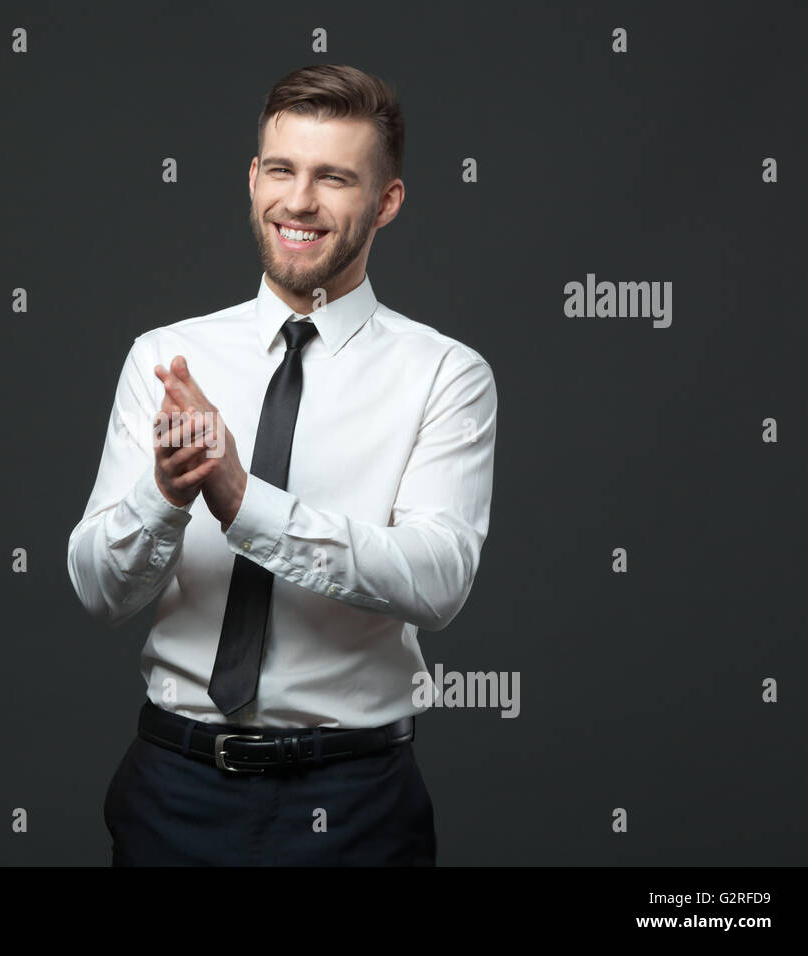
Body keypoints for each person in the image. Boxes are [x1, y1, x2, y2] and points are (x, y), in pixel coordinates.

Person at [66, 63, 497, 866]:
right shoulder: (164, 357)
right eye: (281, 170)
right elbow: (99, 592)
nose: (298, 202)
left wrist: (241, 500)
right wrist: (163, 497)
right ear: (254, 178)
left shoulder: (445, 374)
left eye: (334, 178)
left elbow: (438, 580)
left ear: (388, 202)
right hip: (173, 792)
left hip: (358, 803)